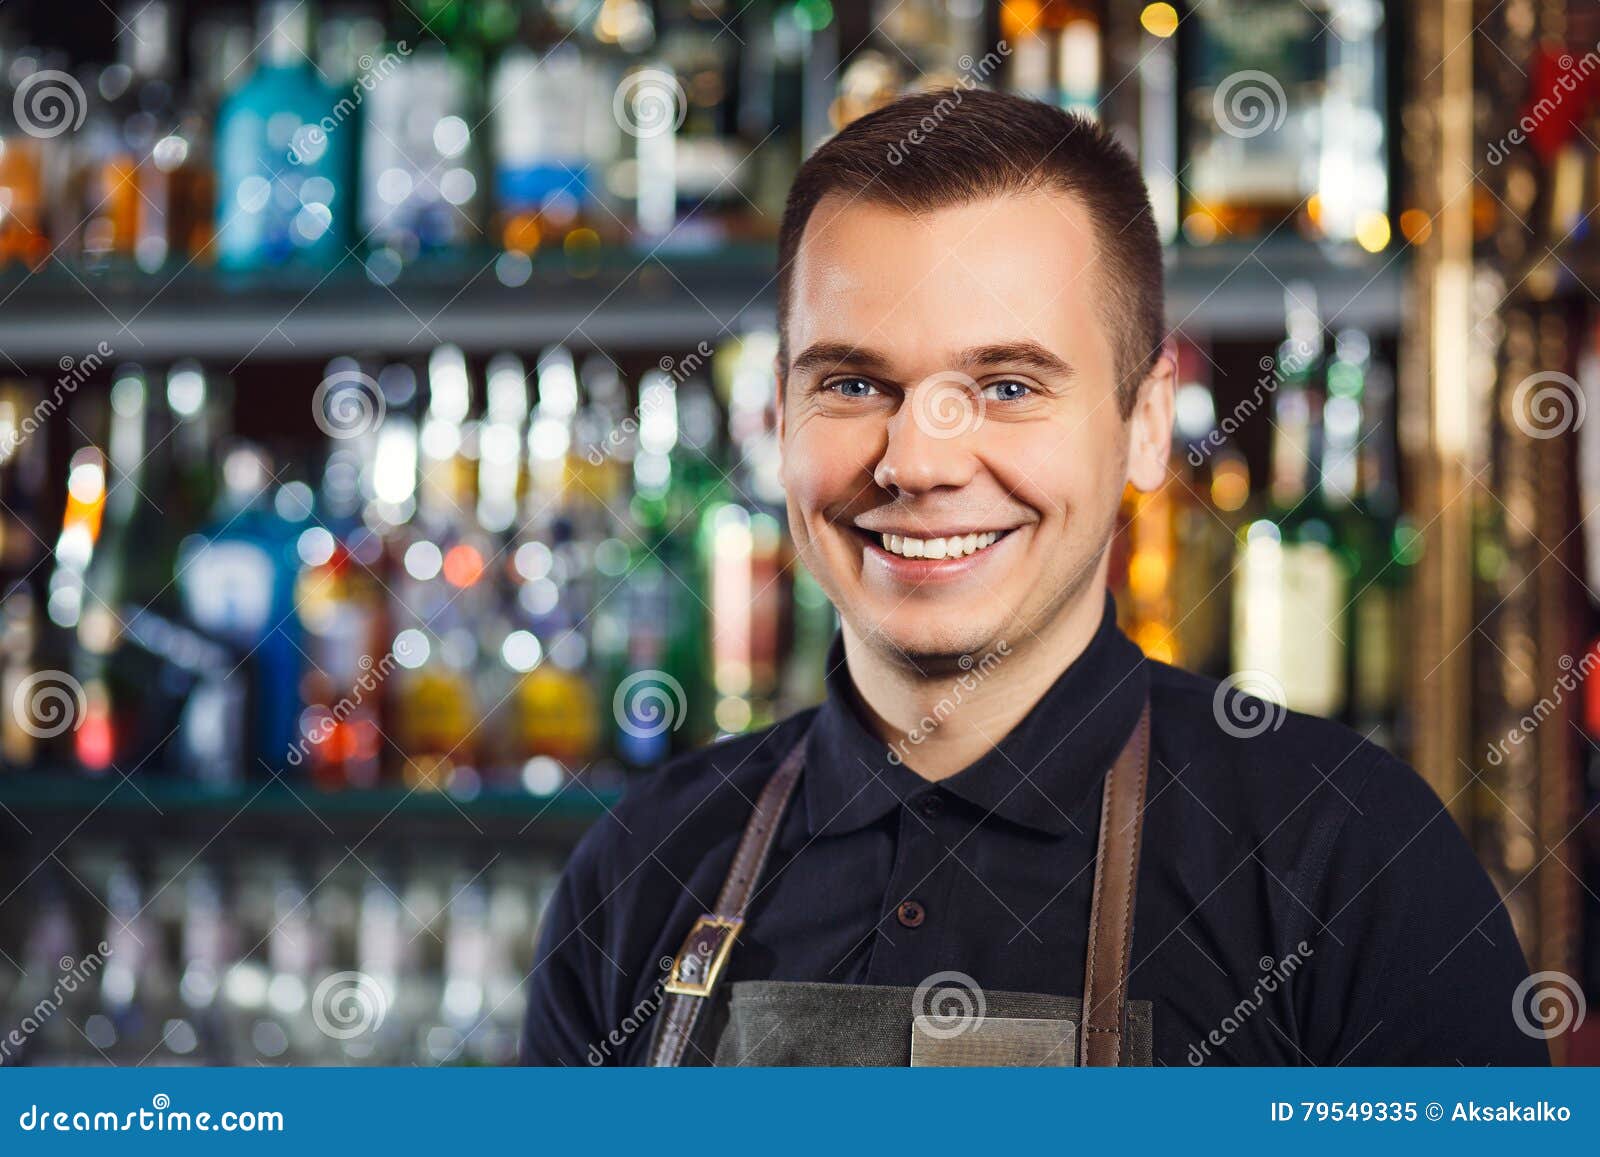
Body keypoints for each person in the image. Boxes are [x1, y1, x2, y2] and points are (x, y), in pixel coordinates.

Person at [520, 87, 1547, 1066]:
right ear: (777, 416)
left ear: (1145, 427)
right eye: (851, 382)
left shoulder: (1352, 855)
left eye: (1006, 385)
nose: (918, 462)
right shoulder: (640, 867)